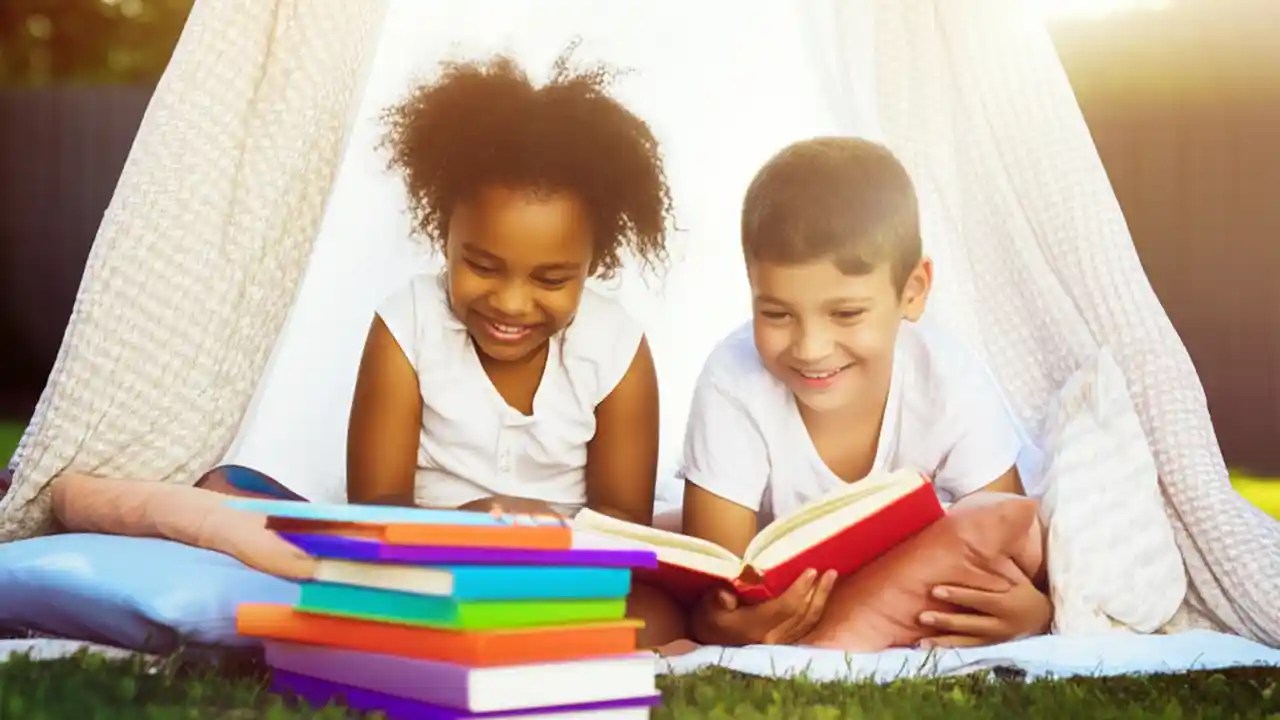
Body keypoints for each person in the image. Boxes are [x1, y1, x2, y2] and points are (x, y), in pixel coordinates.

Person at [344, 50, 684, 646]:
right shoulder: (408, 325)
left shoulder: (617, 347)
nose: (510, 303)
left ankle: (512, 635)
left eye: (550, 280)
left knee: (661, 615)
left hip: (563, 572)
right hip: (429, 558)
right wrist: (465, 527)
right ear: (443, 229)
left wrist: (551, 540)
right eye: (481, 266)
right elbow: (374, 508)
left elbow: (625, 522)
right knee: (355, 586)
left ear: (593, 263)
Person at [679, 137, 1052, 649]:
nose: (810, 349)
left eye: (847, 314)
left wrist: (1033, 611)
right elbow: (714, 590)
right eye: (776, 313)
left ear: (913, 291)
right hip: (791, 588)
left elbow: (1006, 538)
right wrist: (726, 625)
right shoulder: (732, 379)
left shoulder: (949, 378)